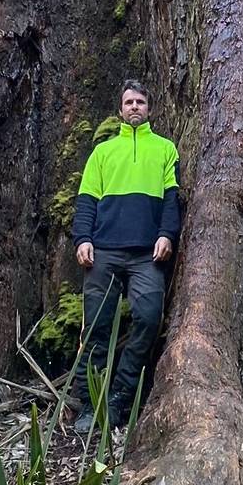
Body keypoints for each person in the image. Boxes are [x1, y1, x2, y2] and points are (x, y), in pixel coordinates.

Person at [70, 80, 180, 432]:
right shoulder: (102, 153)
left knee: (148, 319)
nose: (134, 107)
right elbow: (86, 201)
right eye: (129, 102)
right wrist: (82, 239)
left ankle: (119, 397)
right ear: (120, 110)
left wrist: (167, 234)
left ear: (149, 109)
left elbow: (172, 199)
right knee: (98, 327)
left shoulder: (164, 149)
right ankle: (90, 404)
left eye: (141, 102)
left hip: (146, 255)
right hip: (103, 252)